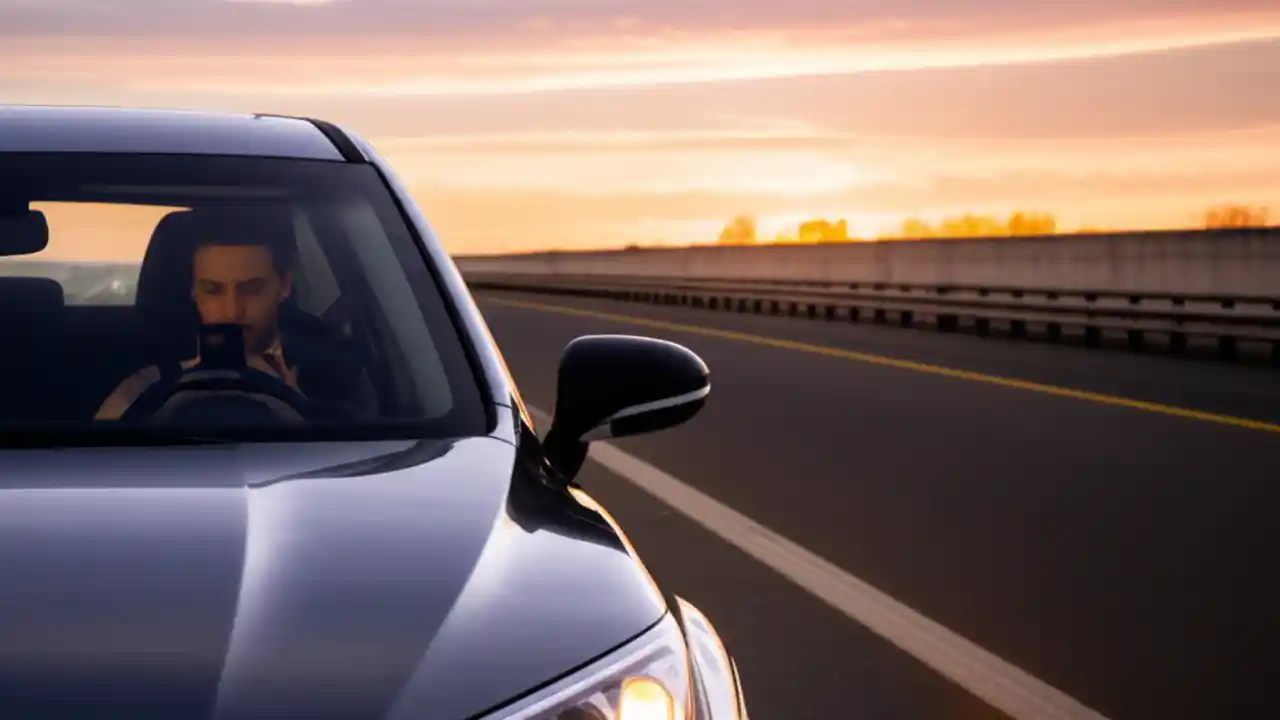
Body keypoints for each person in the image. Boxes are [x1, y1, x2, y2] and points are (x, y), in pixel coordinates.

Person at [95, 212, 313, 421]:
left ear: (285, 284)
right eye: (212, 290)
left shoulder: (323, 373)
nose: (232, 312)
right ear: (192, 290)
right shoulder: (143, 389)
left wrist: (297, 399)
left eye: (252, 289)